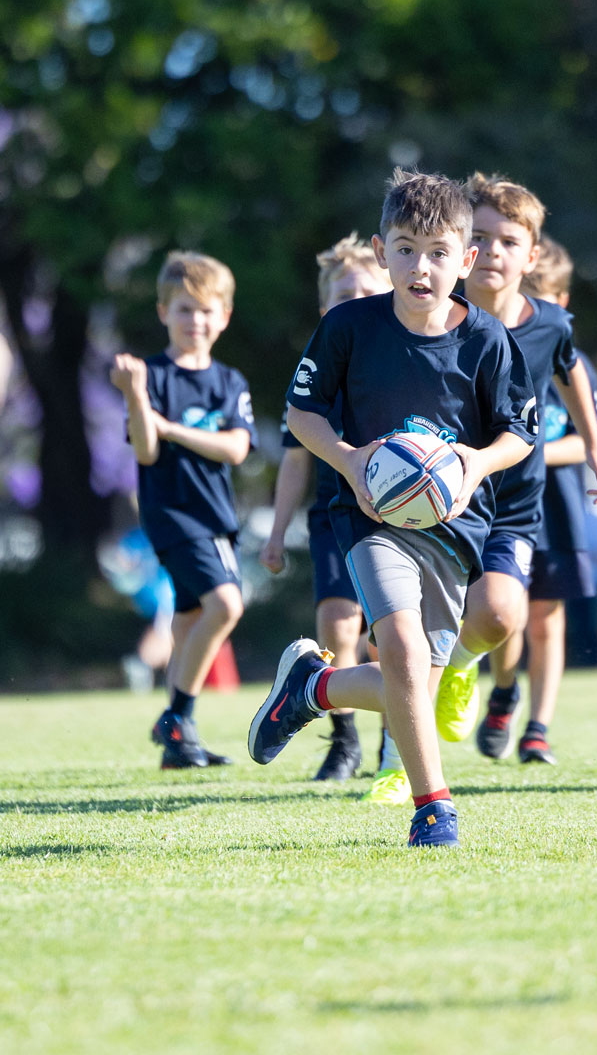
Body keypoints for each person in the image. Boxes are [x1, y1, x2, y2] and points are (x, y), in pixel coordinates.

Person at [248, 168, 538, 848]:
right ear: (381, 253)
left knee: (412, 685)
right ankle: (434, 808)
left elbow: (519, 435)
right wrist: (349, 460)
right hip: (369, 517)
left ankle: (312, 688)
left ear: (465, 260)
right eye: (405, 248)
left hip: (455, 526)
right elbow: (301, 413)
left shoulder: (486, 340)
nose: (420, 266)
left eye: (439, 252)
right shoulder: (350, 326)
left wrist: (474, 462)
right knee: (403, 650)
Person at [433, 174, 597, 748]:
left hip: (515, 500)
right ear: (464, 248)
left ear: (531, 255)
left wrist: (595, 444)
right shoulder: (435, 316)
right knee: (413, 625)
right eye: (482, 238)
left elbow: (573, 370)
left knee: (500, 615)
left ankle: (463, 670)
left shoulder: (550, 323)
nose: (493, 251)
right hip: (444, 495)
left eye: (509, 242)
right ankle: (396, 758)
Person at [263, 233, 411, 799]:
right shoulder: (315, 373)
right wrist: (276, 532)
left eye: (365, 292)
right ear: (326, 307)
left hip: (398, 518)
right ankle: (343, 736)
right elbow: (295, 462)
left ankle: (390, 743)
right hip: (333, 514)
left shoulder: (403, 361)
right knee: (335, 621)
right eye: (342, 294)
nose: (354, 301)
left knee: (389, 634)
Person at [110, 251, 258, 768]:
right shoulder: (149, 376)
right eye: (183, 310)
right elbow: (147, 452)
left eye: (205, 311)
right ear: (163, 312)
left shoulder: (229, 382)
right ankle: (178, 715)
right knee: (227, 605)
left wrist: (171, 427)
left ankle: (177, 742)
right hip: (171, 514)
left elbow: (237, 448)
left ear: (223, 317)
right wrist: (134, 397)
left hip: (216, 515)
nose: (195, 321)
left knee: (192, 618)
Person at [474, 236, 597, 764]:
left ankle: (538, 729)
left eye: (546, 294)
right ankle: (504, 690)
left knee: (547, 614)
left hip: (556, 504)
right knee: (510, 612)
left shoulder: (571, 362)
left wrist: (527, 449)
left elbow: (587, 440)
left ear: (561, 303)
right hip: (502, 501)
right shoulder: (492, 350)